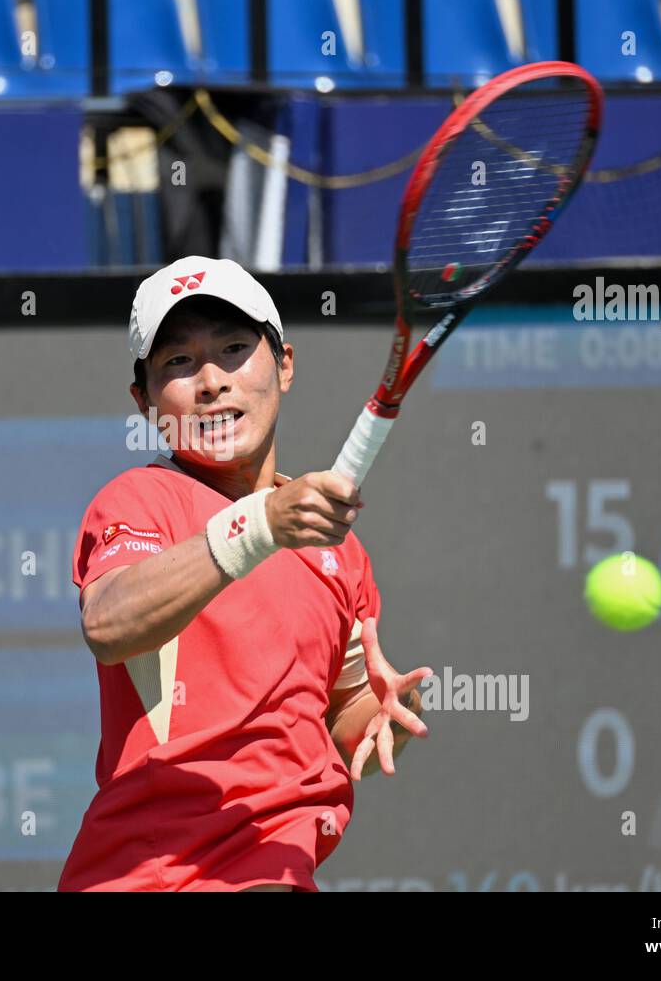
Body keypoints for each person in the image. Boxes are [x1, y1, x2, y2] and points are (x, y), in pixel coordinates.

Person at [58, 256, 432, 892]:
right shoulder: (138, 500)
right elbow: (110, 622)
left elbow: (341, 714)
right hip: (156, 876)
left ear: (283, 365)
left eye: (234, 349)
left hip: (277, 869)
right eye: (178, 362)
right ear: (143, 401)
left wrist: (384, 711)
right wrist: (259, 526)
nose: (211, 381)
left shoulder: (338, 550)